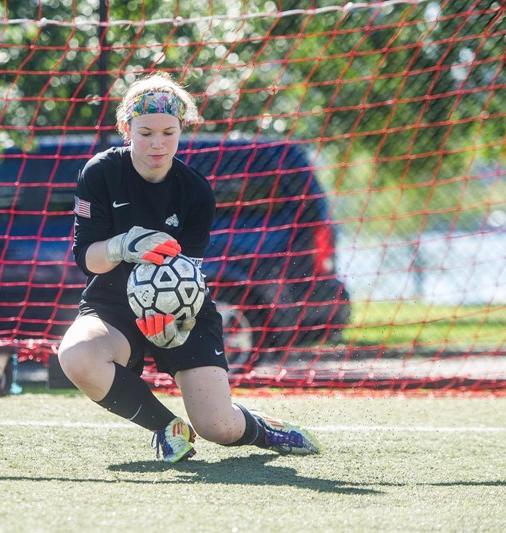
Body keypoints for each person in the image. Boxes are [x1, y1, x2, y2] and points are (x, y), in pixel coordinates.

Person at [57, 71, 320, 463]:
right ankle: (167, 428)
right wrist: (123, 246)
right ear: (126, 128)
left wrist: (175, 320)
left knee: (219, 429)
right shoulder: (100, 172)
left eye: (169, 132)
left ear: (182, 128)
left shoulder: (195, 191)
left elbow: (190, 274)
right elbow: (86, 259)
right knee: (77, 354)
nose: (158, 143)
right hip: (112, 306)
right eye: (145, 132)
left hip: (184, 311)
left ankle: (265, 430)